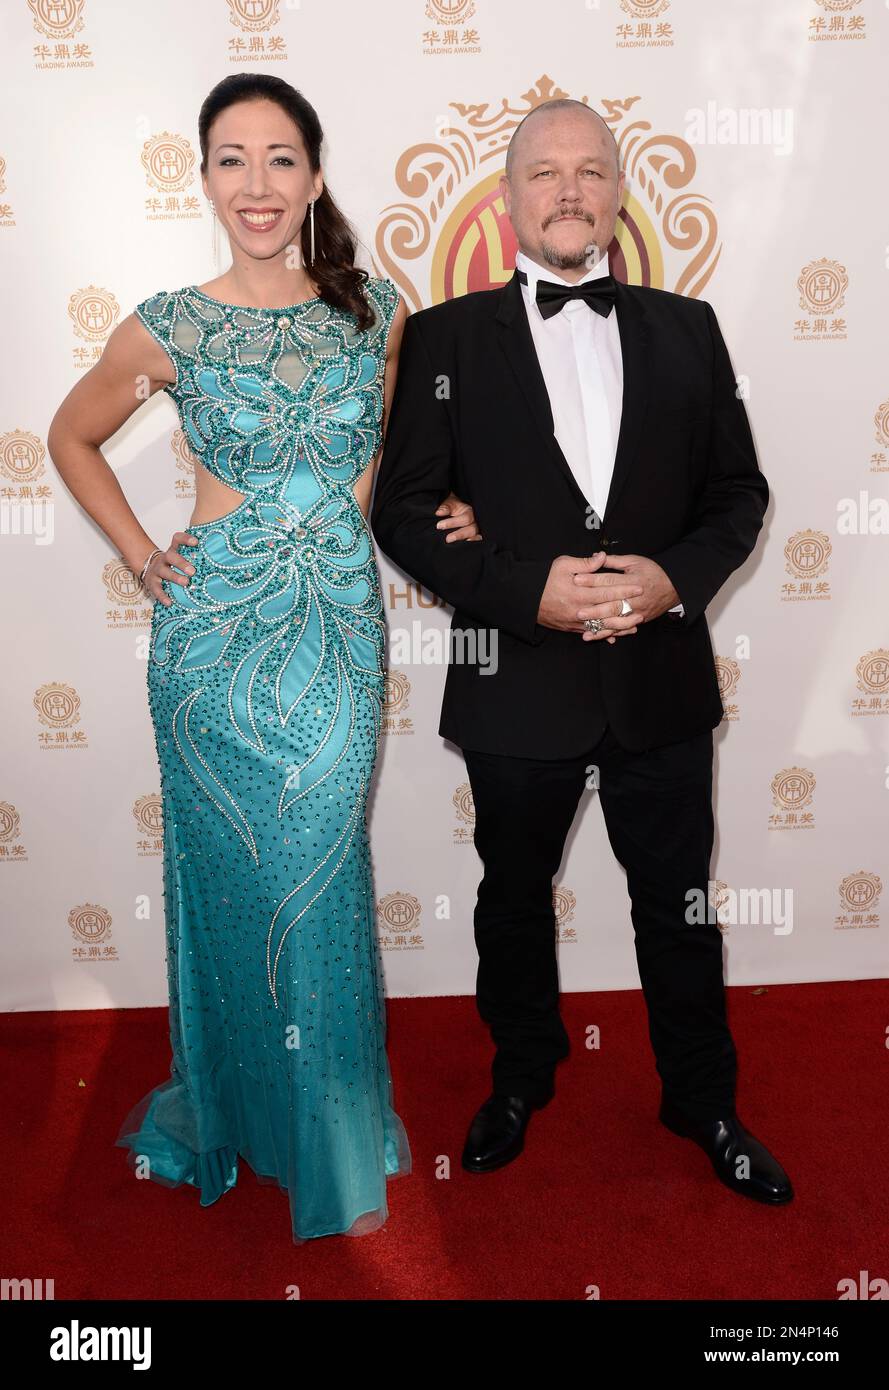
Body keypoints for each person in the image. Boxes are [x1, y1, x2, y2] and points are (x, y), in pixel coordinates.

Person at [47, 72, 480, 1242]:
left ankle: (326, 1120)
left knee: (323, 872)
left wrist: (456, 510)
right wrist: (143, 551)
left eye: (279, 157)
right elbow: (70, 433)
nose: (256, 183)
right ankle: (236, 1108)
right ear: (203, 179)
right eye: (231, 159)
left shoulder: (377, 314)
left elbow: (392, 470)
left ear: (315, 176)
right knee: (228, 880)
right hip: (208, 646)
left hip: (335, 629)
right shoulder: (171, 325)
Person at [371, 99, 793, 1205]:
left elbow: (738, 493)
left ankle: (702, 1098)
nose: (568, 191)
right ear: (505, 198)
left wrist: (673, 580)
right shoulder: (446, 339)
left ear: (617, 194)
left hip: (660, 683)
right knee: (511, 896)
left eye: (591, 171)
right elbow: (406, 514)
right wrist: (526, 592)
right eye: (544, 173)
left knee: (680, 903)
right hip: (518, 683)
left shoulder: (686, 327)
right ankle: (520, 1078)